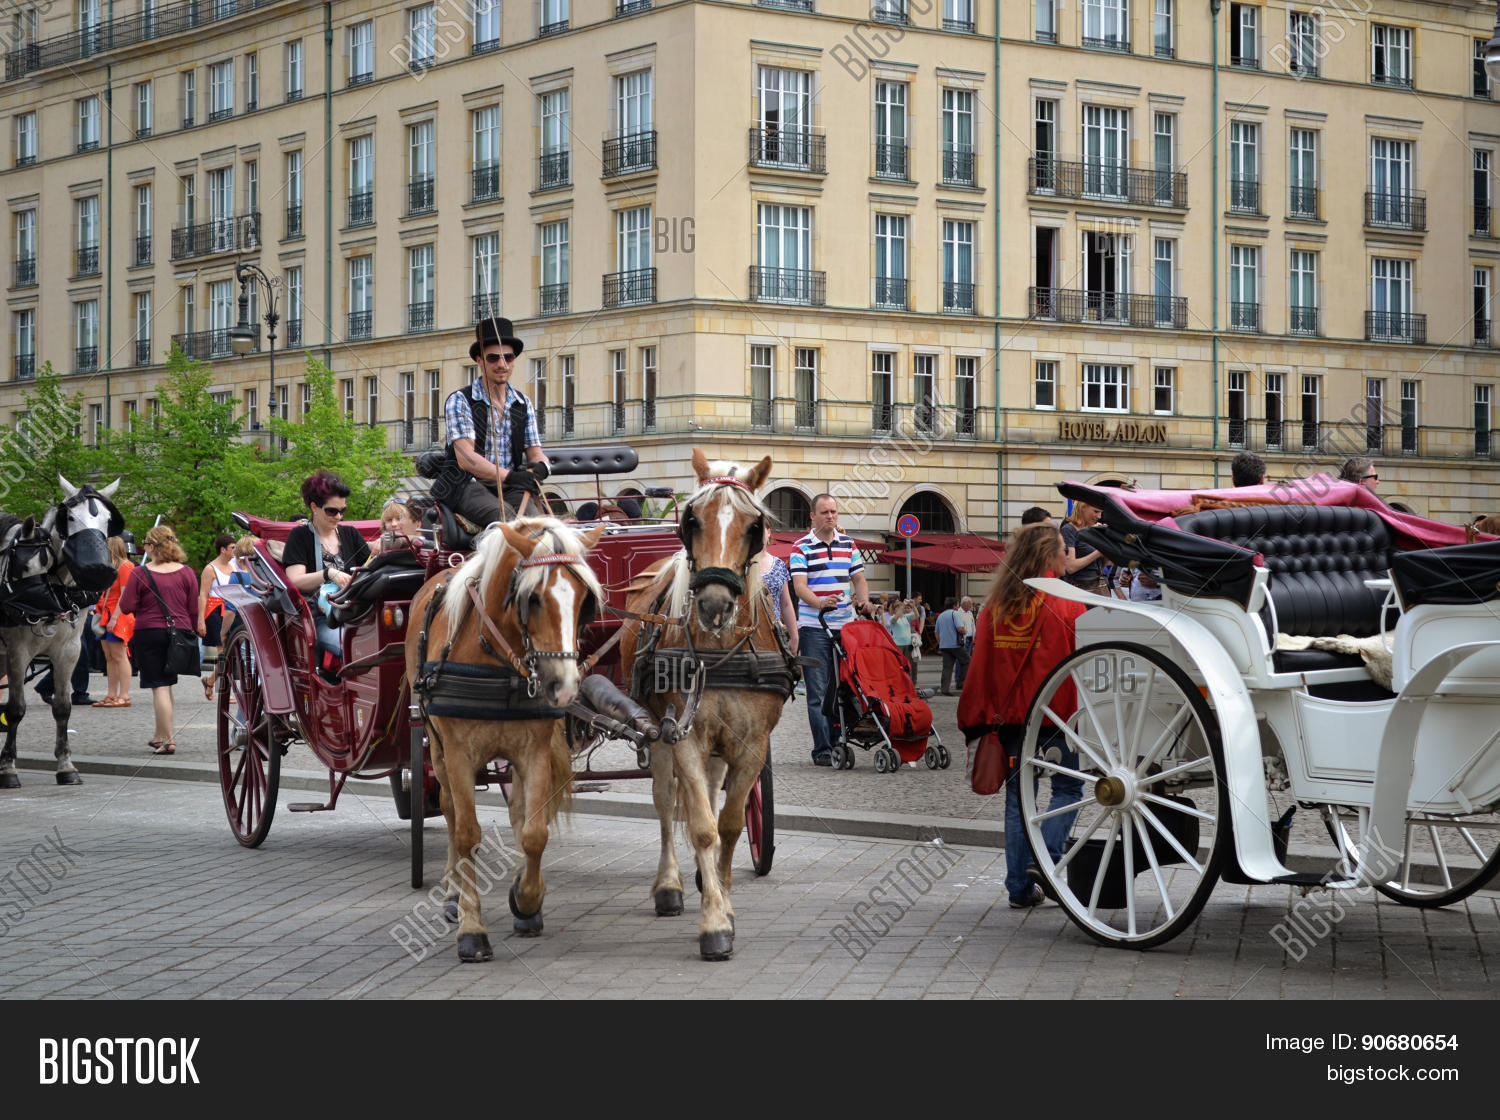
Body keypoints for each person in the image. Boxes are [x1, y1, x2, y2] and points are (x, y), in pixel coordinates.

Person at [958, 522, 1087, 909]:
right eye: (1063, 548)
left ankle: (1019, 887)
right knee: (1068, 790)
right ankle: (1045, 860)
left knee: (1018, 800)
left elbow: (979, 667)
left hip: (1012, 720)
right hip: (1057, 717)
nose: (1067, 555)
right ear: (1048, 555)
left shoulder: (996, 605)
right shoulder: (1068, 603)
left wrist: (973, 717)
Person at [441, 316, 550, 527]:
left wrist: (543, 467)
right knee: (506, 520)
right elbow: (466, 459)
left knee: (537, 525)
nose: (502, 364)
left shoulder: (523, 403)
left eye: (508, 357)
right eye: (493, 358)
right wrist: (511, 476)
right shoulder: (460, 400)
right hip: (467, 485)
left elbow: (535, 452)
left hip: (511, 487)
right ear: (479, 360)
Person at [789, 493, 870, 766]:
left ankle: (839, 742)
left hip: (845, 626)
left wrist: (864, 601)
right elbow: (800, 587)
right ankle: (823, 749)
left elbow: (859, 578)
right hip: (813, 627)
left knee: (844, 687)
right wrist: (820, 603)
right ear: (813, 516)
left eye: (834, 511)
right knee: (818, 691)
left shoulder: (848, 543)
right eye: (825, 512)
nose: (831, 516)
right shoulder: (801, 547)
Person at [118, 526, 200, 755]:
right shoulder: (187, 572)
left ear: (152, 546)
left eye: (145, 543)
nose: (143, 547)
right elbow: (193, 608)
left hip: (149, 632)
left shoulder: (140, 573)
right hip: (179, 633)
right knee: (167, 684)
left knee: (159, 686)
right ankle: (160, 735)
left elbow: (126, 606)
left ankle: (168, 740)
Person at [281, 472, 372, 674]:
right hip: (321, 618)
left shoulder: (350, 534)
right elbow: (295, 580)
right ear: (314, 507)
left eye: (343, 510)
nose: (339, 516)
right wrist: (328, 573)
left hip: (357, 613)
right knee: (355, 649)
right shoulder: (299, 536)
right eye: (332, 511)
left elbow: (368, 567)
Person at [93, 536, 136, 707]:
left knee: (119, 656)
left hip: (118, 615)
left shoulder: (126, 566)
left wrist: (115, 617)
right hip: (106, 613)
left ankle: (124, 695)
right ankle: (111, 694)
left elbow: (125, 595)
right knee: (109, 657)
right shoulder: (112, 567)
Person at [197, 533, 237, 671]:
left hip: (232, 608)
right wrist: (201, 620)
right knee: (222, 647)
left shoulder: (234, 566)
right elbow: (203, 595)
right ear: (223, 549)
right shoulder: (210, 568)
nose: (235, 550)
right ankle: (221, 680)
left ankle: (215, 679)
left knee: (231, 646)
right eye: (232, 547)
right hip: (216, 609)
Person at [758, 552, 799, 657]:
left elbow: (786, 604)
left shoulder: (778, 565)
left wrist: (794, 637)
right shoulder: (737, 563)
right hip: (745, 635)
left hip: (775, 633)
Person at [1061, 501, 1106, 593]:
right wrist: (1100, 551)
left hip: (1097, 585)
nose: (1099, 516)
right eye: (1096, 511)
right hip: (1079, 589)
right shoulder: (1068, 530)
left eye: (1101, 512)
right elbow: (1070, 567)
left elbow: (1102, 564)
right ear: (1083, 507)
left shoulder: (1093, 530)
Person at [935, 597, 968, 695]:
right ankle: (961, 683)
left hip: (944, 645)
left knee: (947, 667)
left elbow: (936, 632)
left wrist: (940, 642)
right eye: (957, 605)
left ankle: (945, 689)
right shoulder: (955, 614)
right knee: (967, 661)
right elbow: (960, 628)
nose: (958, 607)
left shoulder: (940, 616)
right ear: (954, 606)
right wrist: (965, 631)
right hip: (955, 644)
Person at [888, 599, 915, 674]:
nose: (900, 608)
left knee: (907, 665)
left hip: (908, 643)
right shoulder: (892, 617)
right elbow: (895, 619)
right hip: (898, 644)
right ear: (894, 609)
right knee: (899, 664)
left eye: (900, 607)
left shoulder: (906, 617)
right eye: (897, 607)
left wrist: (914, 606)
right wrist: (902, 605)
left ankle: (907, 679)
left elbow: (917, 615)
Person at [955, 595, 976, 687]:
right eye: (969, 604)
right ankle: (958, 678)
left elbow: (973, 626)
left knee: (967, 660)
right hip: (962, 639)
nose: (971, 605)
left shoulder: (970, 613)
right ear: (964, 603)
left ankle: (965, 679)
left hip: (970, 639)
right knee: (960, 660)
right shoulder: (958, 613)